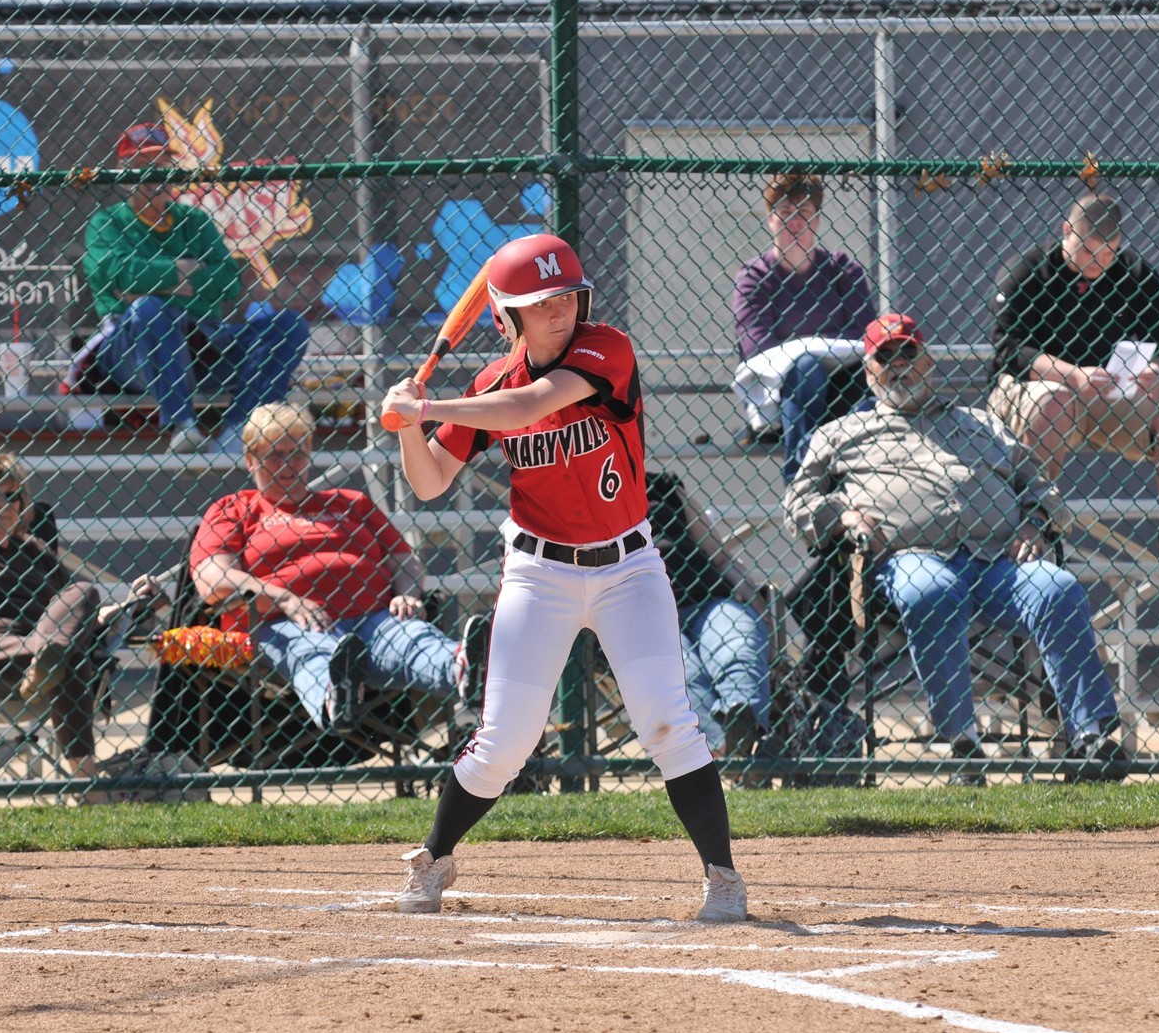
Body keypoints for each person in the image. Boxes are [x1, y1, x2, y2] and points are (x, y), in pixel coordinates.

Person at [380, 232, 748, 921]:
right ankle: (434, 857)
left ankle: (723, 876)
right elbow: (428, 480)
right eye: (539, 303)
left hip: (628, 567)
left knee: (670, 722)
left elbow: (527, 409)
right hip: (539, 573)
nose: (558, 312)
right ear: (507, 315)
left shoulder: (606, 350)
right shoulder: (488, 385)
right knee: (503, 745)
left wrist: (427, 408)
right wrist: (407, 425)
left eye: (567, 298)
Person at [785, 313, 1128, 785]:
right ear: (868, 371)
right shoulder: (840, 433)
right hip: (909, 559)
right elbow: (798, 502)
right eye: (885, 357)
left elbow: (1039, 485)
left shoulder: (981, 424)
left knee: (1059, 588)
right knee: (933, 591)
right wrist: (843, 516)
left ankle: (1090, 739)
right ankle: (962, 745)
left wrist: (1036, 524)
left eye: (909, 353)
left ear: (929, 362)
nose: (899, 364)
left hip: (998, 560)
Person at [184, 402, 481, 742]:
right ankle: (335, 698)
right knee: (309, 650)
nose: (287, 465)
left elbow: (404, 560)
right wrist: (285, 599)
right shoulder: (234, 509)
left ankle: (466, 670)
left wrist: (406, 594)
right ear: (250, 459)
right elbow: (213, 578)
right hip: (282, 623)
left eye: (296, 453)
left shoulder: (350, 502)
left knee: (411, 637)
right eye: (273, 455)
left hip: (374, 617)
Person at [0, 451, 158, 787]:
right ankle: (87, 786)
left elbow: (70, 613)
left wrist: (131, 604)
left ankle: (48, 657)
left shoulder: (35, 550)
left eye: (13, 495)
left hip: (38, 647)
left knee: (84, 592)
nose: (3, 503)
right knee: (71, 658)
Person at [73, 122, 311, 454]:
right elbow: (123, 276)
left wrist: (153, 282)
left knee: (289, 326)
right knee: (148, 310)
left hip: (204, 346)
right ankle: (183, 427)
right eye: (144, 168)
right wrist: (187, 274)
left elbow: (228, 281)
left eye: (163, 167)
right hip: (135, 354)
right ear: (124, 175)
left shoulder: (193, 221)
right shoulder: (107, 223)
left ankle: (236, 431)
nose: (156, 177)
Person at [988, 193, 1159, 562]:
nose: (1099, 262)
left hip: (1108, 393)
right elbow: (1008, 350)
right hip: (1035, 391)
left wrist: (1158, 369)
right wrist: (1072, 374)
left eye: (1108, 253)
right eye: (1087, 251)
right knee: (1056, 398)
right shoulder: (1029, 268)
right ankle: (1039, 523)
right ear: (1066, 231)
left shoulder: (1133, 271)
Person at [730, 172, 876, 478]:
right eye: (784, 213)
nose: (794, 222)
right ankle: (802, 482)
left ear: (818, 220)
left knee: (864, 378)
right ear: (769, 219)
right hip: (784, 391)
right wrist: (823, 346)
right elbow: (761, 349)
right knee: (807, 366)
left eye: (804, 213)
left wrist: (803, 345)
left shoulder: (841, 269)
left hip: (843, 383)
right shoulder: (753, 278)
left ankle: (857, 482)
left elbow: (868, 335)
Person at [645, 470, 772, 767]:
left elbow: (719, 554)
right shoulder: (586, 492)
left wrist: (751, 592)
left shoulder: (663, 486)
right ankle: (728, 753)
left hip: (709, 598)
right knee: (682, 671)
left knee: (739, 645)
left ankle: (743, 737)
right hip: (644, 614)